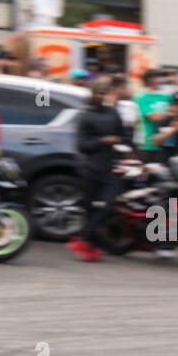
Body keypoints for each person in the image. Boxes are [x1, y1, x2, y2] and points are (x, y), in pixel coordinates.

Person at [66, 78, 129, 262]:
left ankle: (83, 239)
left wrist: (124, 144)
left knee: (109, 205)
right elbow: (81, 145)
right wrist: (103, 141)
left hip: (109, 166)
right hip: (89, 167)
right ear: (92, 93)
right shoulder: (85, 116)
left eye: (104, 93)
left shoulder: (113, 113)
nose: (101, 97)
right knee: (89, 208)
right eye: (98, 93)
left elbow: (124, 135)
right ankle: (89, 245)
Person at [134, 68, 174, 162]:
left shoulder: (167, 97)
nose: (160, 80)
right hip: (146, 145)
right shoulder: (141, 97)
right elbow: (153, 117)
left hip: (164, 144)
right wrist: (169, 114)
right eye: (157, 77)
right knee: (145, 175)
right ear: (149, 79)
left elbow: (176, 112)